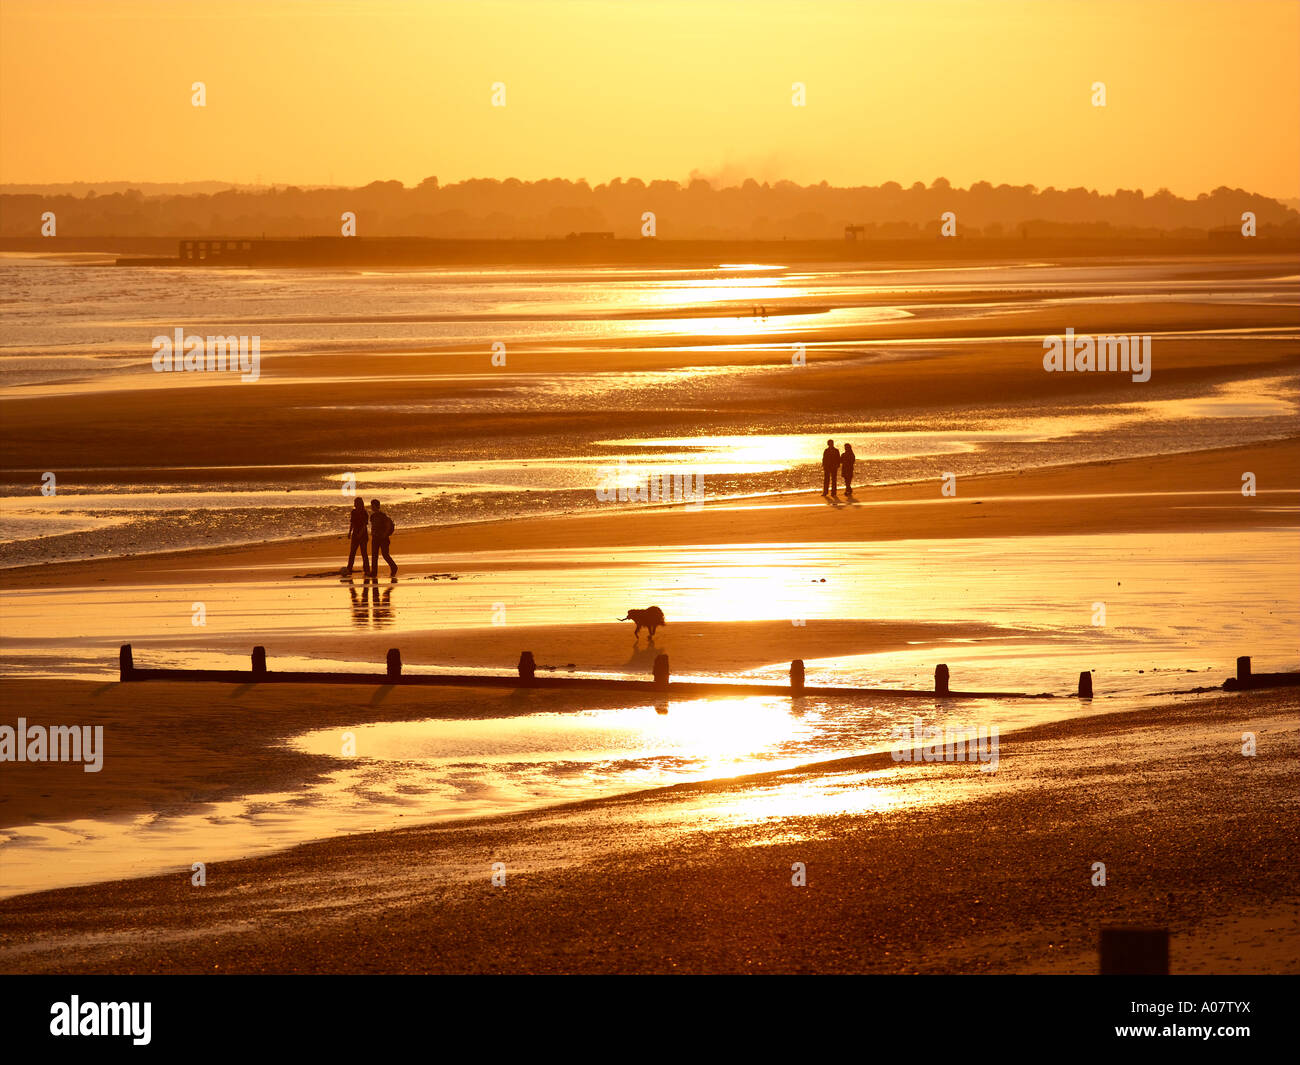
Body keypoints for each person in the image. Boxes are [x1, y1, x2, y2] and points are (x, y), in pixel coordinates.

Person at [368, 498, 398, 579]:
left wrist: (384, 535)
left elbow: (388, 526)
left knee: (385, 555)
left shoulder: (383, 516)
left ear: (376, 506)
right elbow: (373, 527)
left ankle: (394, 567)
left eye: (372, 505)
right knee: (374, 556)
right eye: (371, 505)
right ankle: (374, 572)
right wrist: (373, 533)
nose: (371, 507)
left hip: (383, 538)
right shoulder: (372, 516)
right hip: (375, 538)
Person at [343, 497, 371, 577]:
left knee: (364, 553)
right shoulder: (353, 512)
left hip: (363, 535)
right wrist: (349, 532)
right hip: (355, 534)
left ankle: (367, 570)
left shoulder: (364, 513)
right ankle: (349, 568)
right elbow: (352, 523)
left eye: (355, 503)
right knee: (352, 553)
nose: (354, 504)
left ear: (359, 504)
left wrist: (360, 534)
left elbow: (364, 526)